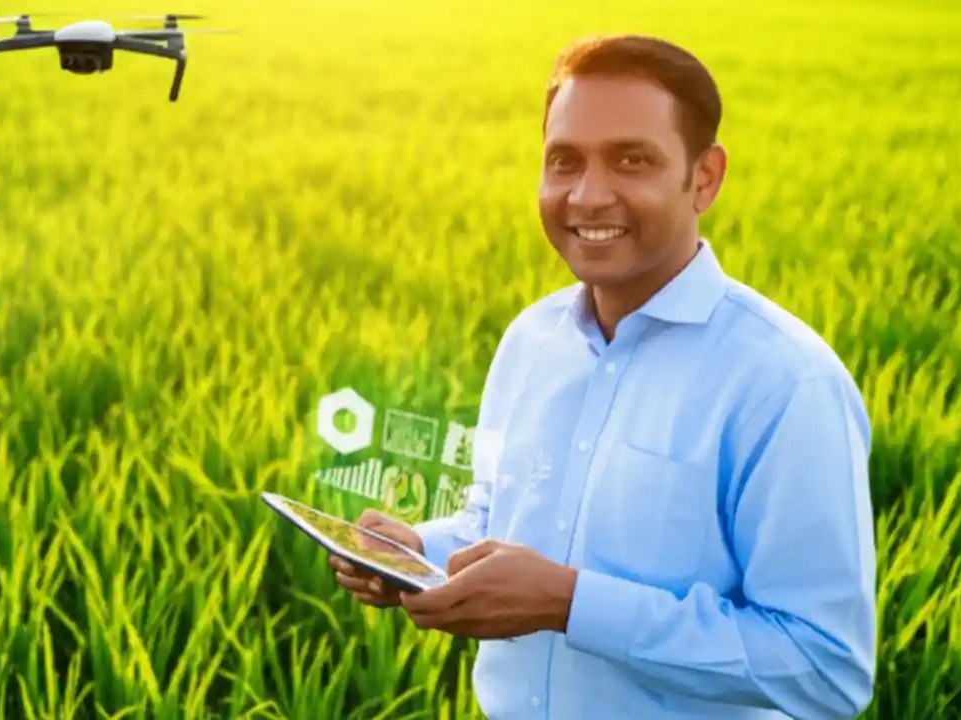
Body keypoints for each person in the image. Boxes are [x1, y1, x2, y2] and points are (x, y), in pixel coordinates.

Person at [330, 33, 876, 720]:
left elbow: (826, 668)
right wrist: (420, 553)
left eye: (631, 160)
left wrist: (570, 604)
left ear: (704, 177)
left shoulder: (785, 383)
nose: (588, 196)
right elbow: (496, 519)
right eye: (564, 162)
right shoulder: (531, 341)